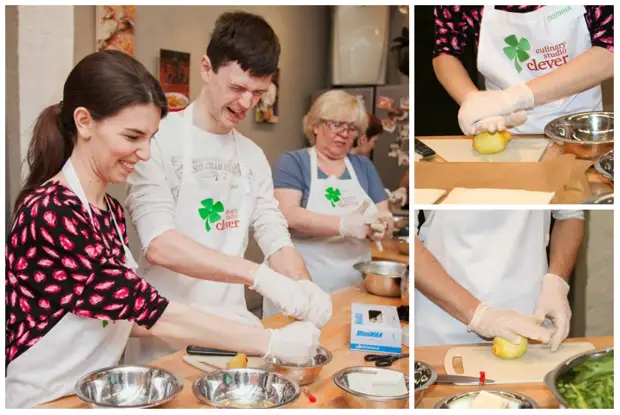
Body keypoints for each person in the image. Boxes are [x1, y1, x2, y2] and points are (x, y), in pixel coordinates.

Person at [5, 50, 320, 409]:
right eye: (132, 136)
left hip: (92, 389)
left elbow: (122, 313)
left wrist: (233, 327)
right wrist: (269, 342)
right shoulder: (50, 212)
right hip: (44, 398)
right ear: (84, 122)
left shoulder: (107, 211)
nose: (145, 153)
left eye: (150, 137)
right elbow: (147, 312)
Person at [122, 11, 331, 365]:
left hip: (234, 333)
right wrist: (259, 275)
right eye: (237, 88)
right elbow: (159, 244)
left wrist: (302, 286)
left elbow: (273, 232)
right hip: (165, 334)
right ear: (206, 68)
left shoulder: (252, 155)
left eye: (258, 92)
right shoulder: (157, 138)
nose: (247, 103)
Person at [271, 90, 393, 301]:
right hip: (303, 282)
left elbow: (385, 215)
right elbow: (288, 214)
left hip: (355, 284)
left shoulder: (364, 167)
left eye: (352, 128)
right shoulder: (293, 163)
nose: (344, 133)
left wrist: (382, 227)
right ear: (316, 126)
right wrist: (344, 225)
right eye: (337, 124)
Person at [414, 210, 583, 350]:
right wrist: (480, 316)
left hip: (531, 326)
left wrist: (557, 282)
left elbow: (570, 214)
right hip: (443, 328)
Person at [432, 5, 614, 135]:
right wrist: (474, 102)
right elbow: (445, 51)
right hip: (505, 130)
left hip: (581, 132)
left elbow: (611, 52)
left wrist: (512, 99)